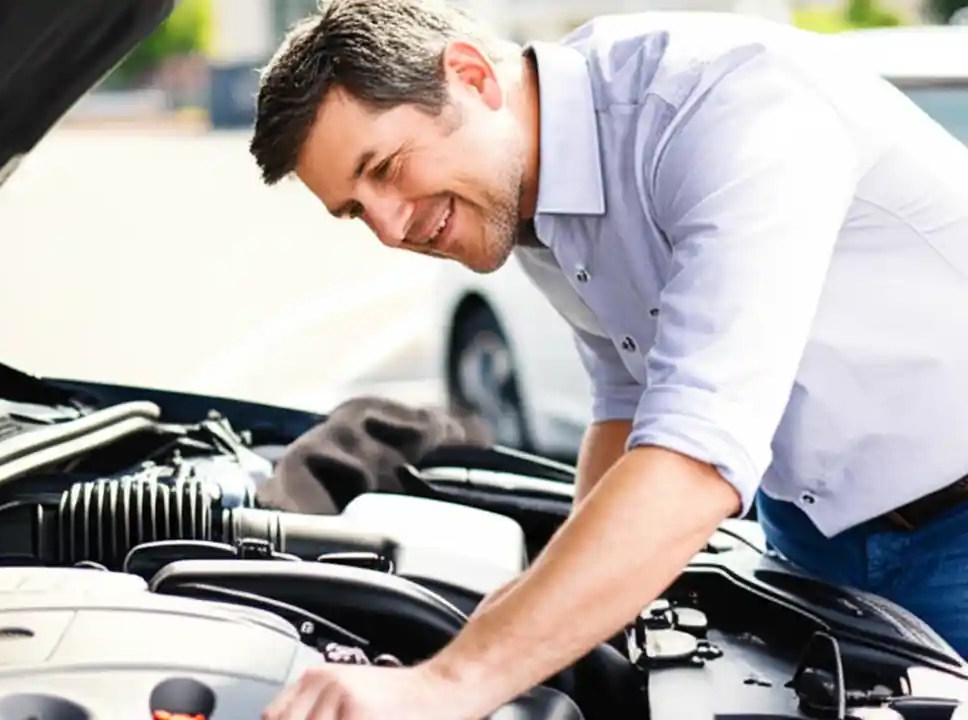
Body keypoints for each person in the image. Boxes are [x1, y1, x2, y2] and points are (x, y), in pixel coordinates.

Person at [247, 0, 968, 717]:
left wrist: (450, 682)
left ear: (469, 76)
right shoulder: (523, 190)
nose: (391, 226)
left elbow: (696, 454)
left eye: (387, 168)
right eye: (354, 210)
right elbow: (627, 406)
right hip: (811, 540)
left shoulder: (729, 109)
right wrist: (540, 629)